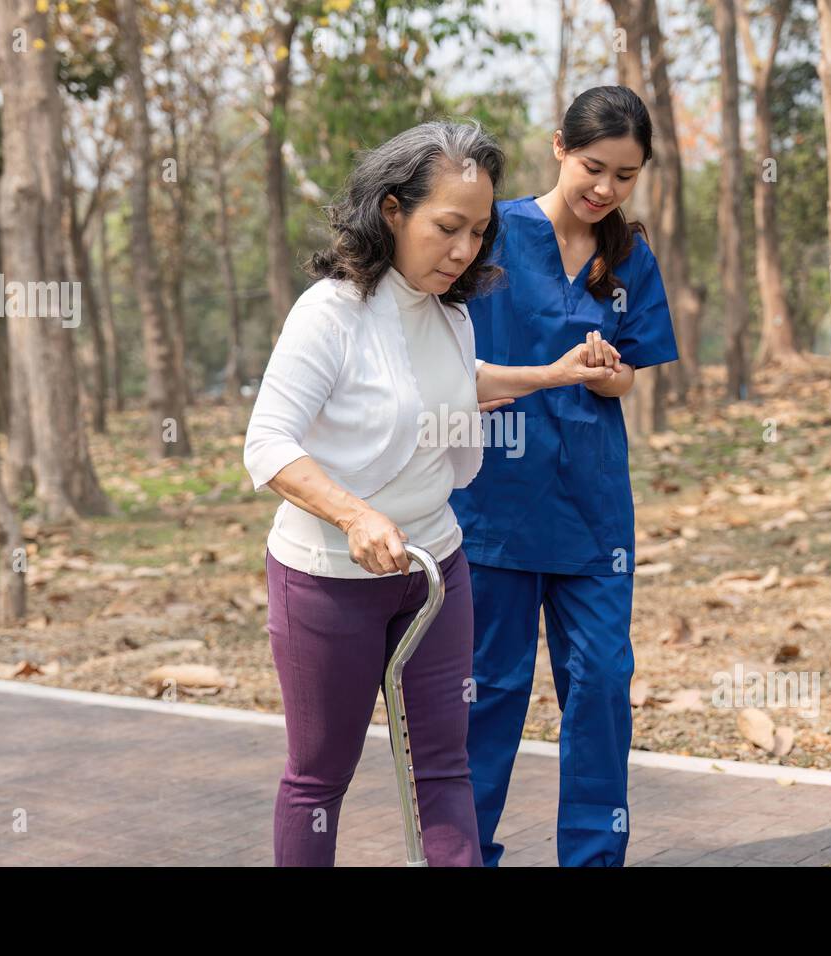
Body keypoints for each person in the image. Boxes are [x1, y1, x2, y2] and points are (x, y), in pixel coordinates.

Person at [243, 120, 623, 866]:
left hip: (434, 568)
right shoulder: (329, 315)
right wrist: (353, 514)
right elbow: (268, 444)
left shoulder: (447, 311)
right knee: (320, 777)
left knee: (446, 769)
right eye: (448, 227)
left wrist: (551, 374)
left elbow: (448, 390)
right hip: (328, 578)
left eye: (479, 233)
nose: (464, 251)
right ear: (392, 211)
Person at [450, 87, 681, 867]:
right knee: (491, 689)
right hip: (493, 506)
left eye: (626, 174)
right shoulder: (493, 237)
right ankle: (464, 853)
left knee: (604, 684)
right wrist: (546, 372)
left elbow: (630, 380)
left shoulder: (628, 255)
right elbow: (452, 361)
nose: (606, 189)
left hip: (592, 513)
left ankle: (592, 857)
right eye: (594, 167)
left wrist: (608, 373)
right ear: (559, 147)